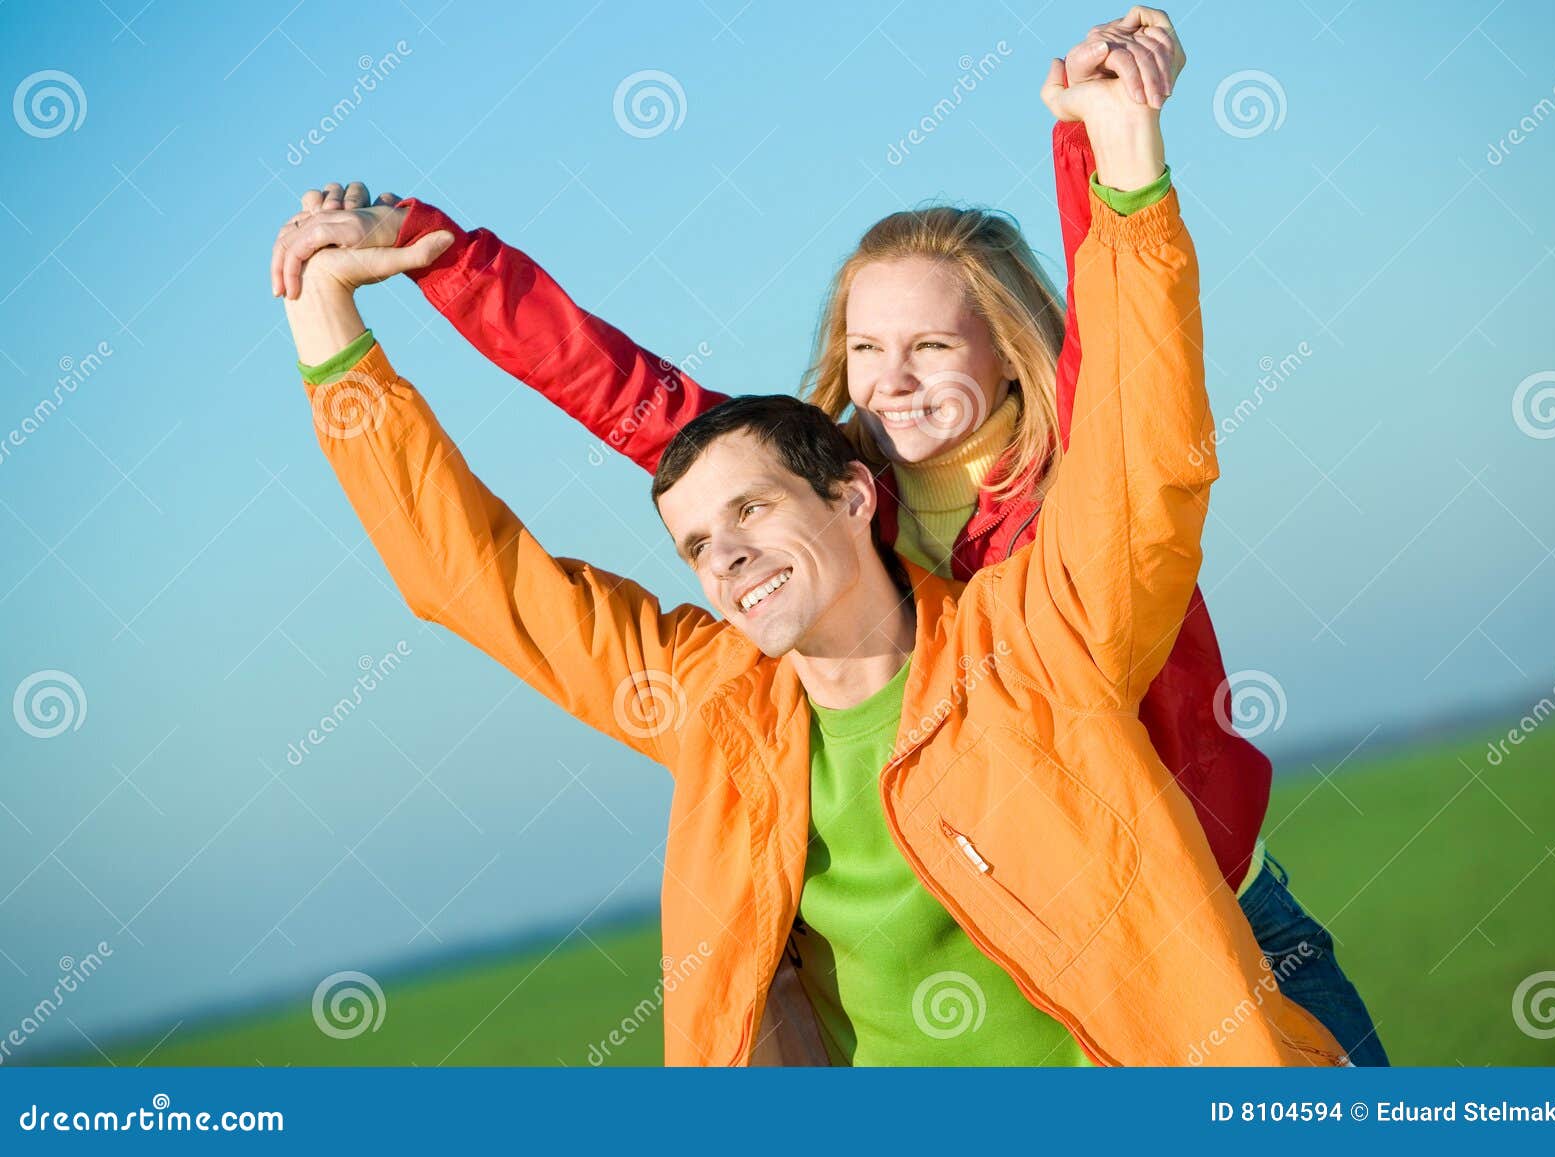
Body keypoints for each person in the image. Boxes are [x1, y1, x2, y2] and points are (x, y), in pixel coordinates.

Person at [273, 8, 1389, 1068]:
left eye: (930, 350)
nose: (892, 385)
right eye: (865, 351)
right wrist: (377, 296)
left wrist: (1111, 146)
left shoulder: (1044, 598)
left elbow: (1139, 414)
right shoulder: (735, 670)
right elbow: (538, 515)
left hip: (1201, 923)